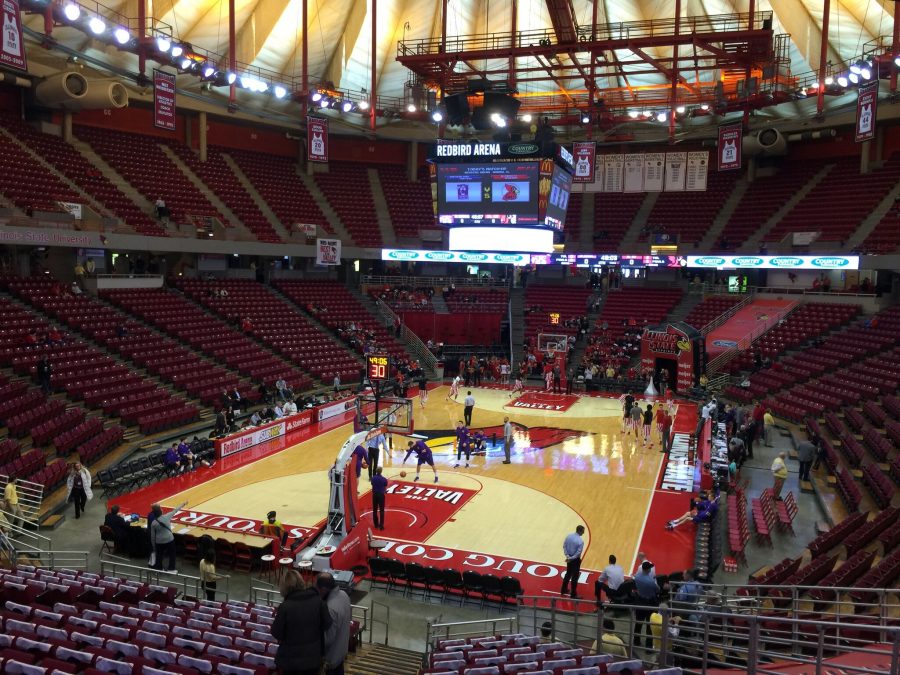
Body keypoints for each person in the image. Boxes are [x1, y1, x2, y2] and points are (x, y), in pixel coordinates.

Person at [272, 570, 333, 675]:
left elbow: (277, 633)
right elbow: (327, 624)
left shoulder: (285, 607)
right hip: (313, 660)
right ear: (301, 581)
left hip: (291, 662)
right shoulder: (318, 601)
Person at [318, 572, 352, 675]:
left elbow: (328, 639)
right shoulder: (344, 595)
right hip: (341, 653)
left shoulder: (330, 607)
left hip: (331, 660)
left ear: (323, 589)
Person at [150, 501, 187, 572]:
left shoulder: (153, 523)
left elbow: (152, 537)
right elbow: (176, 510)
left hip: (159, 542)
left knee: (159, 556)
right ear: (161, 510)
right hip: (169, 539)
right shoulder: (167, 516)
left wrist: (154, 547)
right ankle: (171, 568)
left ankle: (159, 568)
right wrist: (183, 504)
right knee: (172, 554)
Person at [633, 560, 659, 649]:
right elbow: (657, 590)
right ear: (648, 570)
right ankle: (648, 647)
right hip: (649, 604)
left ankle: (636, 642)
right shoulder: (650, 582)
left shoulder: (637, 577)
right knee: (649, 626)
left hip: (640, 601)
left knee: (638, 623)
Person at [560, 524, 585, 599]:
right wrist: (572, 558)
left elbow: (564, 546)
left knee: (568, 574)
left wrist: (568, 556)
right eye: (583, 531)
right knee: (575, 577)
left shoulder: (569, 536)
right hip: (575, 560)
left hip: (569, 558)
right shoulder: (580, 541)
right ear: (580, 531)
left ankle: (563, 590)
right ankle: (573, 594)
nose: (583, 533)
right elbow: (578, 553)